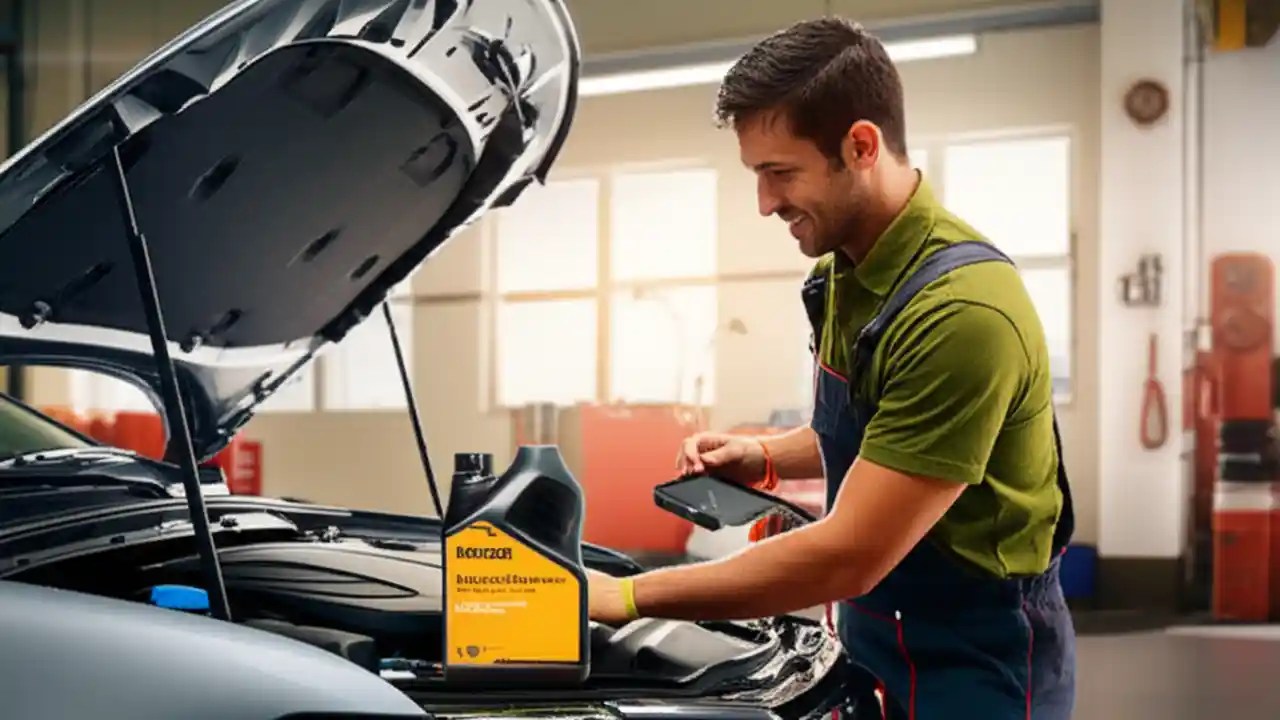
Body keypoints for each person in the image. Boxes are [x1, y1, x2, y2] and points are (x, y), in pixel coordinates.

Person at [586, 16, 1077, 720]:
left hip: (976, 663)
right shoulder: (847, 273)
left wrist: (627, 596)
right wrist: (766, 455)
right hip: (870, 634)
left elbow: (848, 553)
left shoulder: (963, 313)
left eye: (779, 173)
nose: (764, 204)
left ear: (861, 145)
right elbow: (885, 432)